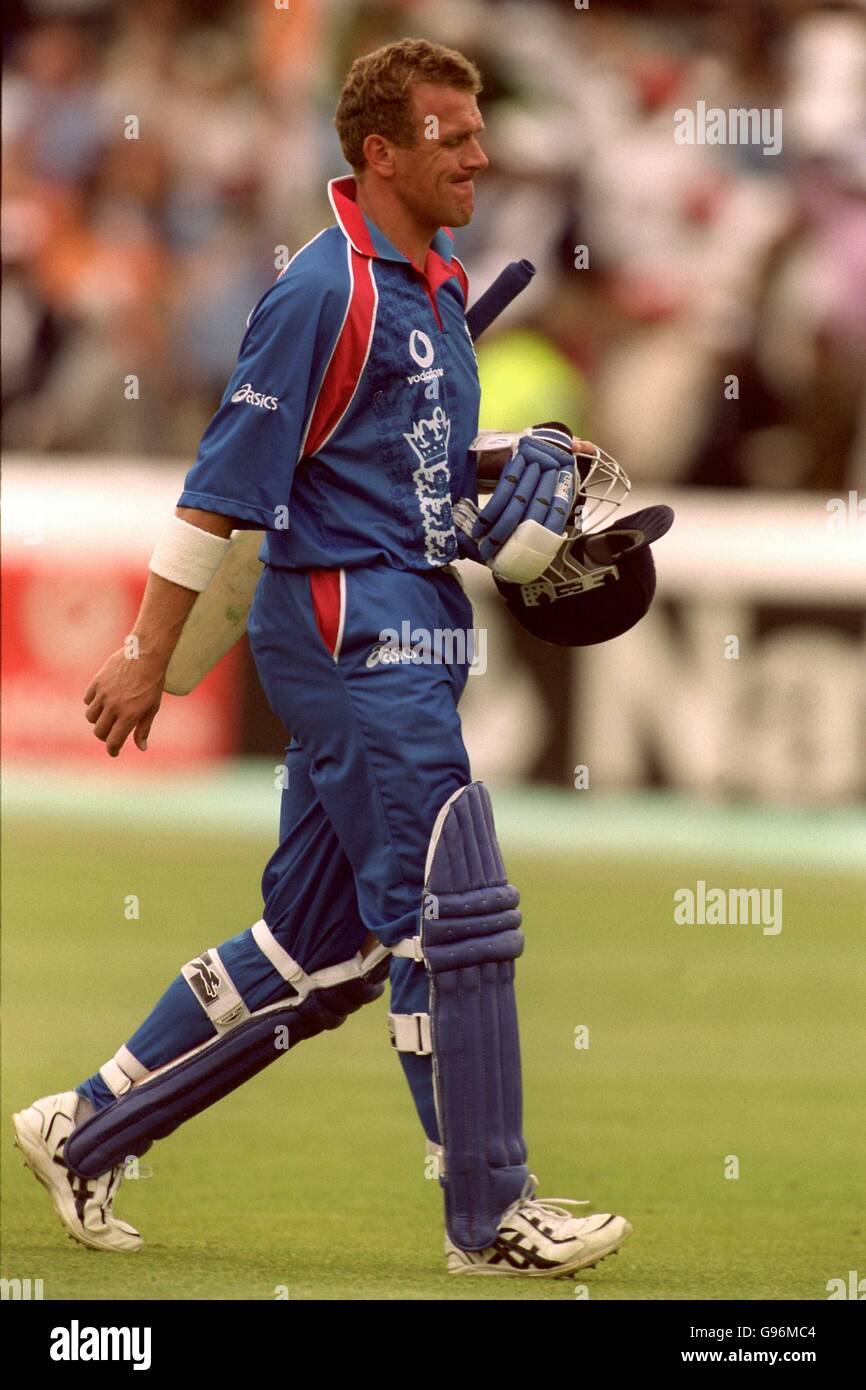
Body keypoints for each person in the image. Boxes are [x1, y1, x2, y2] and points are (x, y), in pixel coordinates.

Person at [13, 38, 632, 1278]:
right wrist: (146, 654)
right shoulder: (320, 290)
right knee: (449, 914)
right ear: (379, 153)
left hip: (408, 620)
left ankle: (83, 1127)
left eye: (477, 130)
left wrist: (497, 498)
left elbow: (396, 468)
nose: (480, 153)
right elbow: (217, 493)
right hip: (354, 635)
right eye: (452, 135)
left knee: (324, 949)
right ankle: (488, 1216)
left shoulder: (439, 282)